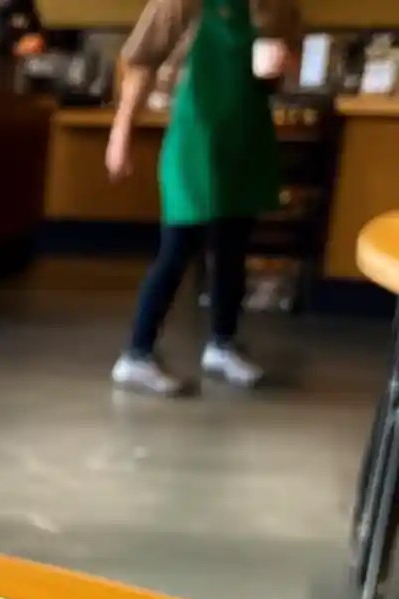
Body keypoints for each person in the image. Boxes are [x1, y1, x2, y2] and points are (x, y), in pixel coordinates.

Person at [107, 0, 302, 396]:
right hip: (194, 138)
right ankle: (136, 355)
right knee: (179, 246)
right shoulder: (180, 3)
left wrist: (283, 67)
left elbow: (283, 72)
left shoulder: (278, 7)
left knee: (233, 246)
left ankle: (222, 345)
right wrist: (122, 131)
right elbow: (142, 62)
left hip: (245, 140)